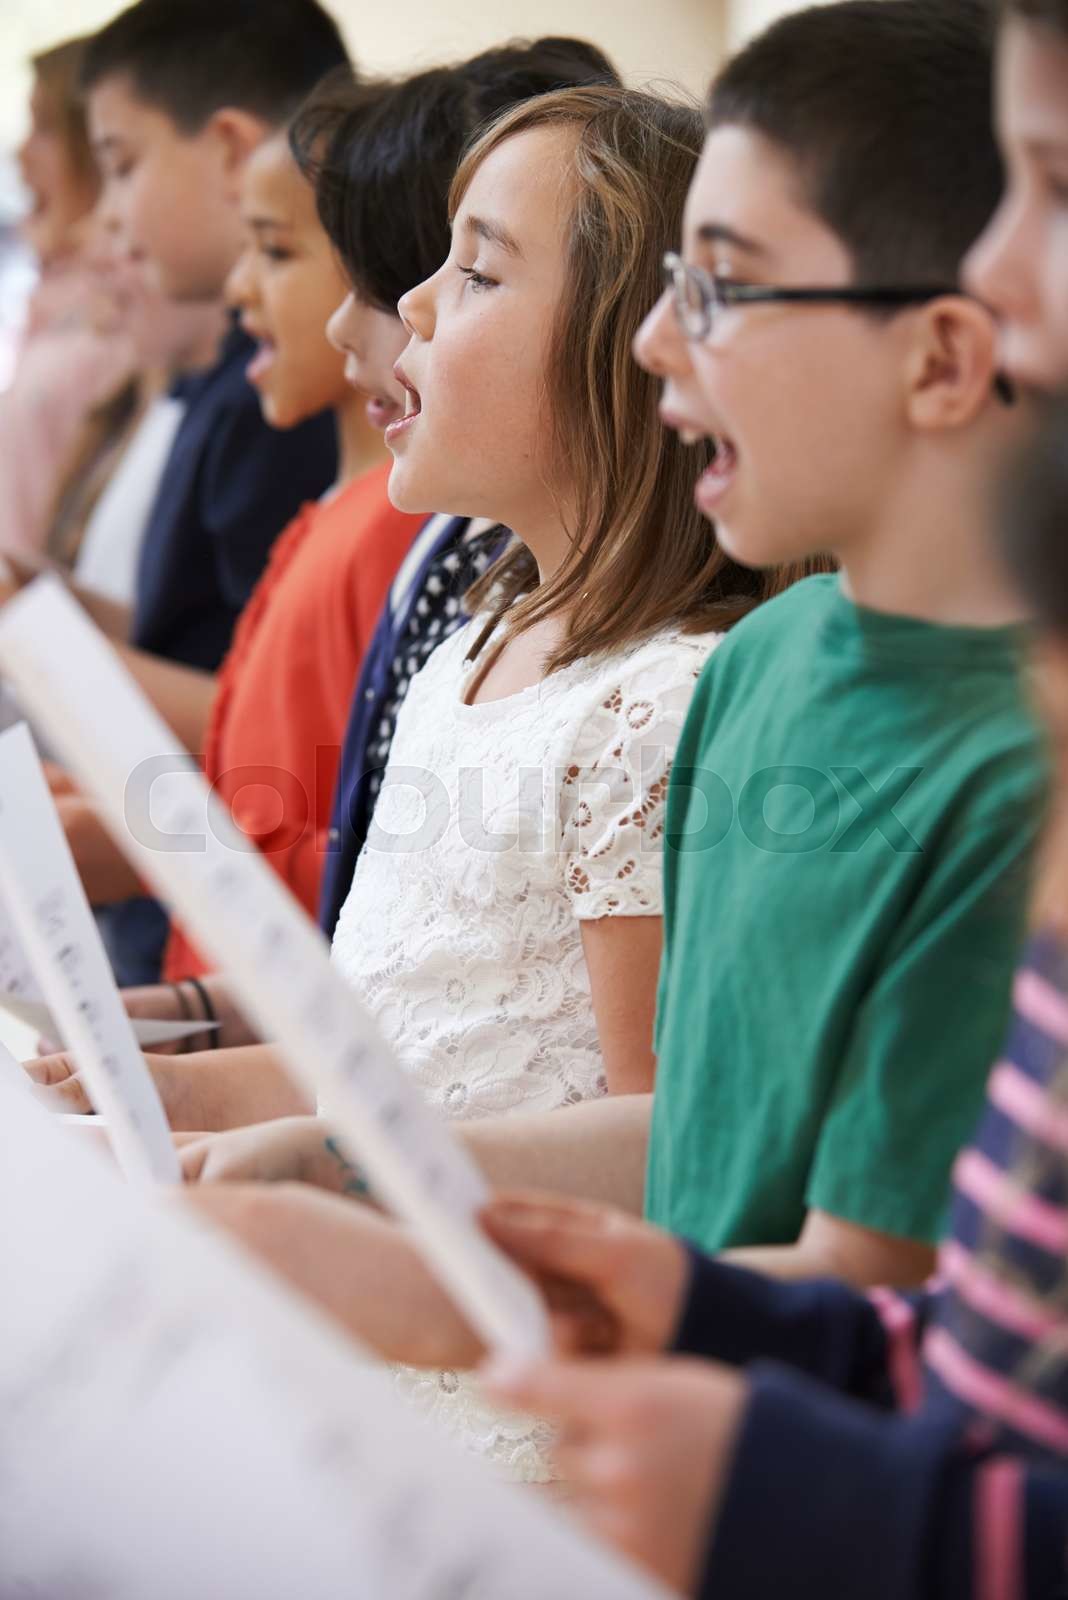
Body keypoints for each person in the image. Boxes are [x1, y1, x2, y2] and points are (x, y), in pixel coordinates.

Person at [172, 0, 1047, 1304]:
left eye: (725, 286)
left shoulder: (956, 753)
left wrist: (383, 1218)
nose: (658, 342)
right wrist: (303, 1150)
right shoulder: (763, 660)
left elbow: (853, 1287)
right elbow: (682, 1133)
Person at [27, 0, 349, 984]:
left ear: (226, 147)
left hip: (247, 945)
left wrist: (35, 629)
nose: (104, 221)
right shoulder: (234, 391)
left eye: (121, 164)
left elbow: (279, 744)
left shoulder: (278, 409)